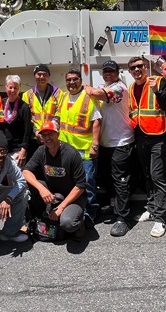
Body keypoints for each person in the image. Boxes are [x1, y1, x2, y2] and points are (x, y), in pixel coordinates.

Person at [84, 60, 135, 236]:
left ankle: (123, 218)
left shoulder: (119, 88)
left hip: (121, 142)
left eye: (111, 71)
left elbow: (95, 93)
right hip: (106, 142)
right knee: (109, 179)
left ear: (117, 73)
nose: (108, 74)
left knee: (121, 181)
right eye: (105, 71)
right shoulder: (104, 86)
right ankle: (114, 206)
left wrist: (87, 88)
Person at [128, 56, 166, 238]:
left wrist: (158, 92)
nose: (137, 70)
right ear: (130, 71)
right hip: (141, 138)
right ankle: (150, 207)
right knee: (147, 175)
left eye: (140, 66)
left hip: (158, 137)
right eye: (133, 68)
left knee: (158, 177)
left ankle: (160, 218)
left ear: (145, 67)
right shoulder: (132, 87)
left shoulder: (159, 82)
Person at [22, 121, 87, 238]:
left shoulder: (71, 153)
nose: (47, 138)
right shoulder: (41, 151)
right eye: (44, 135)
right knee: (31, 183)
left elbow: (81, 186)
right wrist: (42, 189)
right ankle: (40, 214)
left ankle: (80, 221)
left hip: (73, 198)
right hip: (53, 196)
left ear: (58, 134)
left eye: (50, 134)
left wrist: (61, 207)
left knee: (67, 223)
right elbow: (26, 171)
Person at [55, 68, 101, 228]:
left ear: (80, 80)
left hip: (84, 150)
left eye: (75, 79)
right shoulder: (64, 97)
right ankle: (74, 211)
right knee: (70, 183)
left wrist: (95, 144)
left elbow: (96, 121)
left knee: (87, 183)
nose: (72, 82)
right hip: (66, 151)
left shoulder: (88, 97)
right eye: (69, 80)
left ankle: (90, 213)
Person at [22, 64, 65, 159]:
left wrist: (48, 133)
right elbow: (27, 118)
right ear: (34, 76)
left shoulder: (58, 93)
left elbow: (59, 114)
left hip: (52, 138)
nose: (42, 77)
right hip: (34, 138)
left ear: (49, 76)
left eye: (44, 74)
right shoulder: (27, 95)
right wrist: (37, 132)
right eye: (39, 74)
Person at [1, 75, 33, 168]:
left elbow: (28, 130)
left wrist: (23, 150)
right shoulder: (1, 103)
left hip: (17, 151)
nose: (12, 90)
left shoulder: (24, 107)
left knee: (16, 179)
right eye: (10, 87)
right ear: (6, 87)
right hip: (4, 149)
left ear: (19, 89)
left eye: (16, 88)